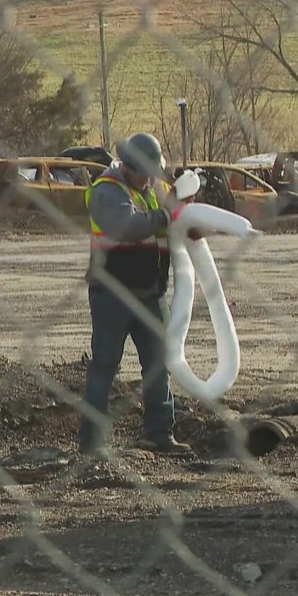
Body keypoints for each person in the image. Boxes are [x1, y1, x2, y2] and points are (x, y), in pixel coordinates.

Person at [80, 132, 194, 455]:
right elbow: (126, 226)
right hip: (112, 293)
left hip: (150, 291)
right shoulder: (106, 190)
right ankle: (92, 443)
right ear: (127, 166)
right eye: (144, 173)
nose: (149, 179)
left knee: (159, 363)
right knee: (105, 366)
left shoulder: (154, 188)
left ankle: (160, 433)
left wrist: (185, 205)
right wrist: (165, 215)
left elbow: (178, 211)